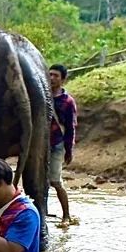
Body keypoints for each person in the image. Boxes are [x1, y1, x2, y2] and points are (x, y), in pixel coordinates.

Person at [48, 63, 78, 227]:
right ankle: (42, 212)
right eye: (50, 74)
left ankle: (66, 215)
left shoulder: (67, 101)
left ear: (63, 79)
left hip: (57, 144)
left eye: (56, 76)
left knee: (55, 181)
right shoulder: (42, 95)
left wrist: (69, 150)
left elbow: (70, 128)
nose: (52, 78)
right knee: (40, 182)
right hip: (41, 145)